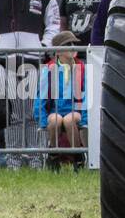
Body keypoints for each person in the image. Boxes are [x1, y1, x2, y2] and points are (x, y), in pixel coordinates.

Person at [0, 0, 60, 169]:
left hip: (34, 61)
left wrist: (43, 46)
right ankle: (13, 161)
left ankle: (36, 159)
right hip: (3, 62)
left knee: (32, 112)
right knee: (12, 114)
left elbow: (54, 25)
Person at [34, 31, 87, 172]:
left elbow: (88, 95)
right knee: (55, 120)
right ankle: (53, 156)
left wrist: (86, 118)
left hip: (76, 111)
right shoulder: (49, 69)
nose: (73, 47)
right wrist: (42, 120)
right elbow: (41, 96)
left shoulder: (82, 68)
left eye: (74, 43)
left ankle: (78, 158)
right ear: (58, 51)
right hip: (55, 111)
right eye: (68, 44)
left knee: (69, 120)